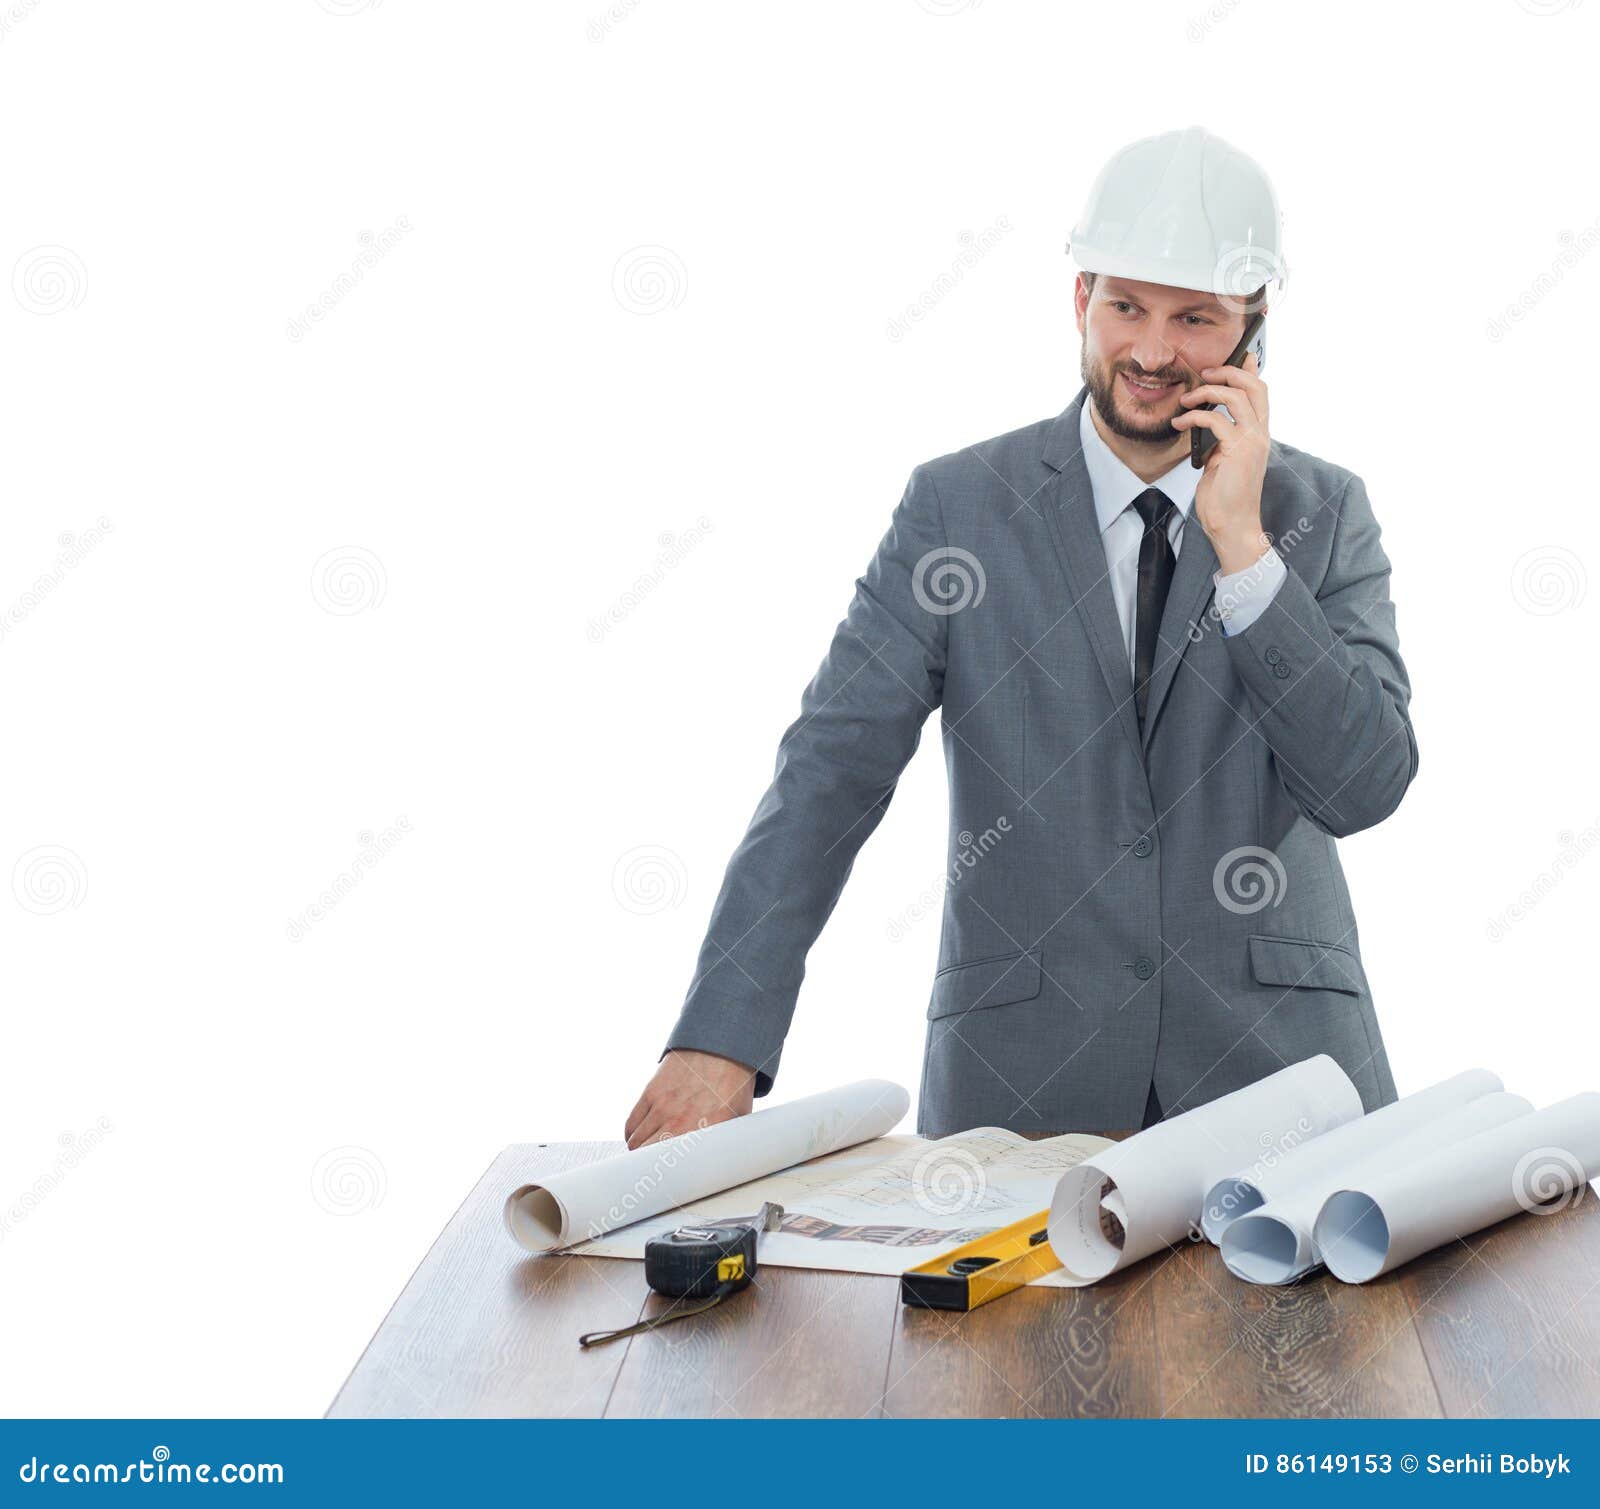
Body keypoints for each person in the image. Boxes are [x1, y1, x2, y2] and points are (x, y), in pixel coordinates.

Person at [625, 126, 1416, 1149]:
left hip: (1285, 1091)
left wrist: (1241, 545)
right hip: (1027, 1096)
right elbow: (831, 767)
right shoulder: (957, 509)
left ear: (1252, 334)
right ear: (1079, 297)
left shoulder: (1318, 512)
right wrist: (718, 1040)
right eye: (1125, 304)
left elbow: (1364, 786)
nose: (1149, 352)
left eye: (1195, 320)